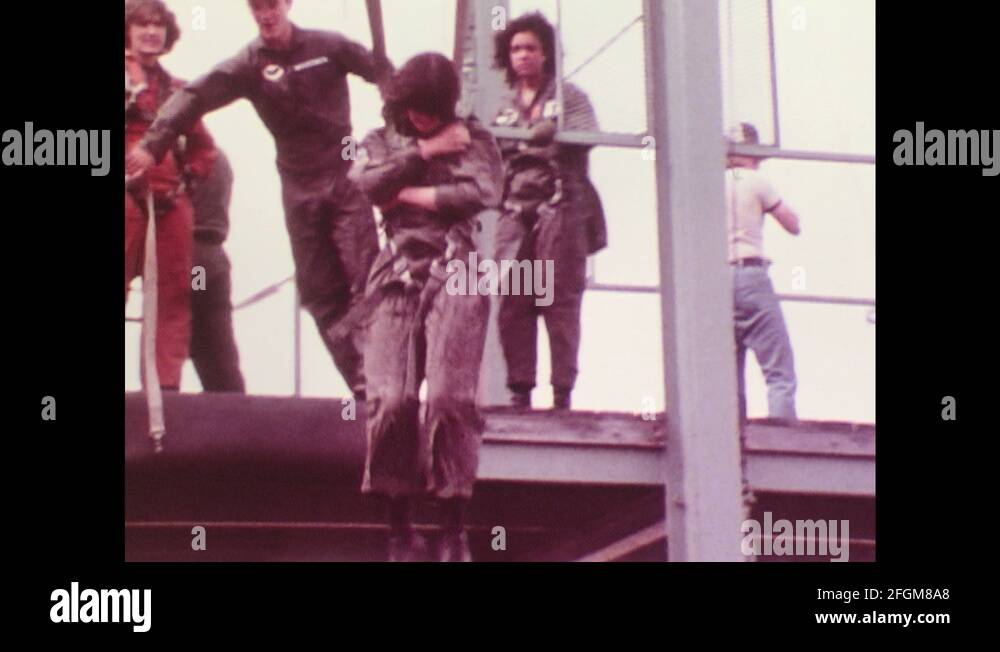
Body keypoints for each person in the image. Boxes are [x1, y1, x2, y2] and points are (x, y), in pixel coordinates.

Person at [126, 0, 391, 399]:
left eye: (271, 5)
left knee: (366, 282)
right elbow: (197, 96)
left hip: (343, 180)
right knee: (319, 293)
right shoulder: (247, 64)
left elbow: (395, 79)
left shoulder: (329, 46)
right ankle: (364, 384)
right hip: (298, 190)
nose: (265, 14)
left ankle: (387, 379)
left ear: (287, 4)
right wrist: (153, 144)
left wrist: (401, 101)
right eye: (256, 7)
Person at [349, 52, 503, 561]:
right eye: (417, 113)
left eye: (434, 114)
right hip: (395, 272)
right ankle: (398, 525)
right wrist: (427, 149)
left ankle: (454, 521)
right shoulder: (379, 140)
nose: (425, 120)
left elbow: (480, 190)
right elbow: (369, 186)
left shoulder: (475, 137)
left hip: (454, 265)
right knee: (391, 400)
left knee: (450, 397)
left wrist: (406, 192)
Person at [491, 12, 607, 410]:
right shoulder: (504, 110)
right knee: (514, 298)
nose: (522, 56)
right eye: (515, 49)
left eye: (530, 48)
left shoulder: (568, 97)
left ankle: (562, 393)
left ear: (546, 54)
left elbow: (585, 137)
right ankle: (519, 389)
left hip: (561, 206)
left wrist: (546, 136)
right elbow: (491, 159)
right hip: (516, 212)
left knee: (559, 299)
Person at [125, 0, 217, 391]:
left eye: (157, 25)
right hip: (127, 200)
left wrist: (189, 179)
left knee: (173, 298)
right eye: (142, 24)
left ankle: (163, 393)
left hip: (170, 204)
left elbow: (203, 148)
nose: (151, 31)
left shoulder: (180, 91)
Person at [725, 122, 801, 423]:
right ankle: (783, 431)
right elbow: (793, 225)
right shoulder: (757, 181)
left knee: (728, 370)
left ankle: (730, 433)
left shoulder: (710, 182)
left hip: (714, 279)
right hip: (750, 276)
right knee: (778, 366)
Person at [189, 149, 246, 393]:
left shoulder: (186, 157)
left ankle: (161, 408)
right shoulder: (220, 158)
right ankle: (235, 410)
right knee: (218, 347)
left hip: (191, 258)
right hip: (214, 259)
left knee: (181, 327)